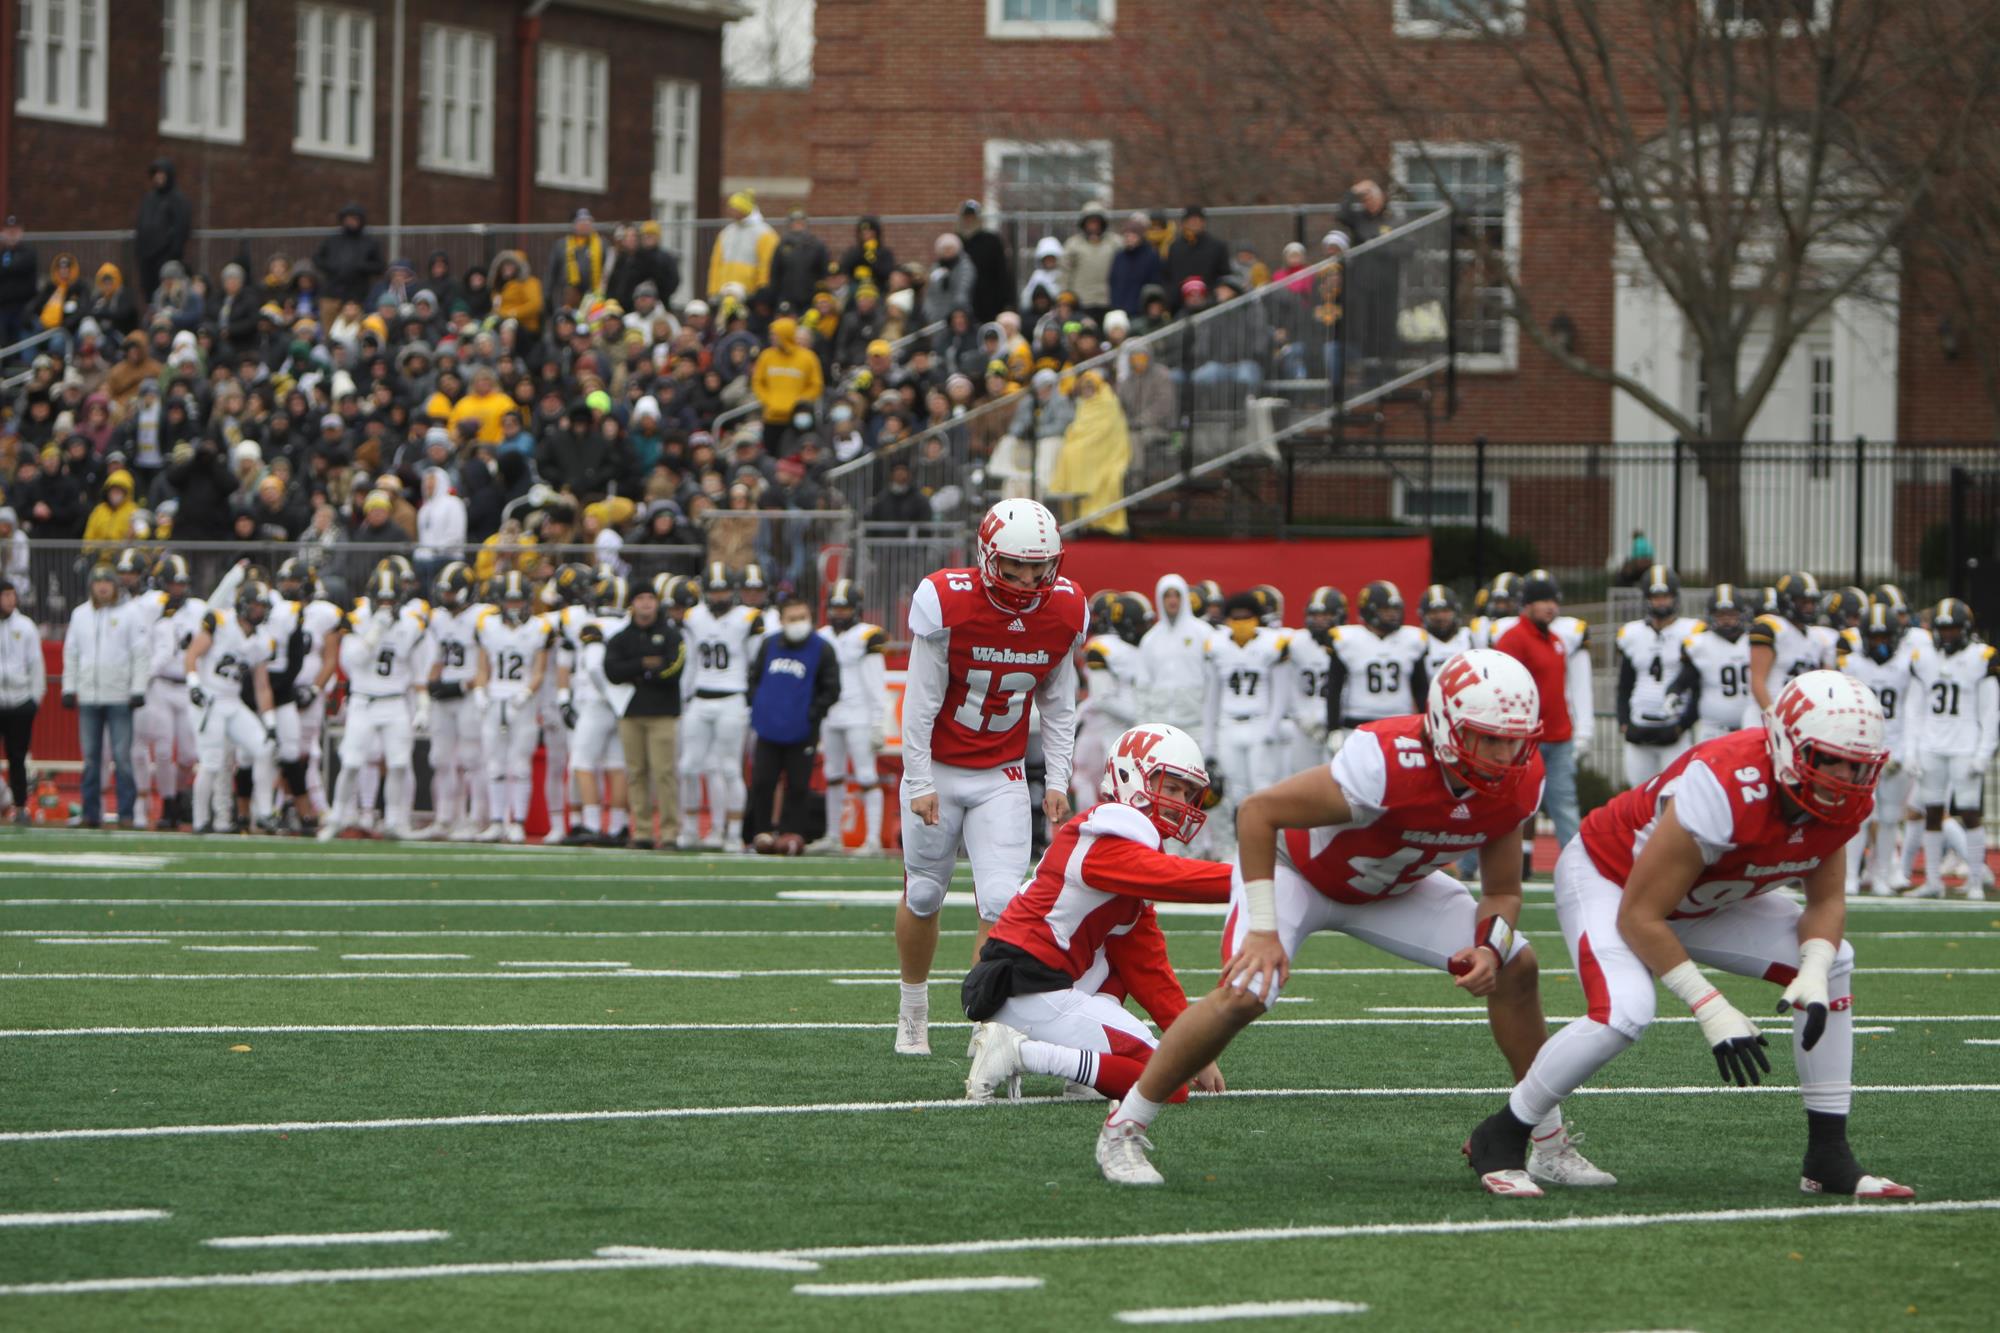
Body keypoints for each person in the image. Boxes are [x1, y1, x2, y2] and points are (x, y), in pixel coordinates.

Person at [1096, 651, 1608, 1189]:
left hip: (1392, 887)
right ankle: (1123, 1126)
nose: (1507, 755)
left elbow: (1503, 891)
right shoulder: (1387, 759)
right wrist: (1266, 931)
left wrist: (1488, 946)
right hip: (1298, 874)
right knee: (1248, 990)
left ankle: (1546, 1139)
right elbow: (1257, 813)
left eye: (1516, 740)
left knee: (1517, 964)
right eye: (1489, 738)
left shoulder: (1520, 780)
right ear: (1445, 727)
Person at [1462, 671, 1912, 1201]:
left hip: (1705, 893)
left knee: (1835, 962)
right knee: (1626, 1011)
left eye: (1856, 765)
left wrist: (1812, 969)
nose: (1843, 776)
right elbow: (1639, 916)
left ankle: (1829, 1159)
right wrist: (1709, 1004)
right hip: (1614, 878)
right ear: (1787, 744)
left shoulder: (1847, 796)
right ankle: (1502, 1134)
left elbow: (1826, 901)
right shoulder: (1724, 781)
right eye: (1828, 759)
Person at [894, 499, 1086, 1056]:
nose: (1028, 582)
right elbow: (920, 703)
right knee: (926, 893)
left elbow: (1059, 705)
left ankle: (987, 1023)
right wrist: (920, 779)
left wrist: (1057, 779)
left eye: (1039, 569)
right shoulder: (948, 601)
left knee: (1002, 902)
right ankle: (912, 1009)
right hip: (939, 767)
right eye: (1015, 569)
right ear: (986, 557)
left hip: (1000, 772)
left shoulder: (1065, 610)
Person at [964, 723, 1231, 1104]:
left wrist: (1196, 1049)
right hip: (1030, 985)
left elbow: (1147, 968)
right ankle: (1022, 1053)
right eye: (1171, 787)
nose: (1181, 803)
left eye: (1188, 794)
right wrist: (1255, 878)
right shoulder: (1110, 835)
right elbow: (1173, 879)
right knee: (1167, 1084)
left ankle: (1084, 1070)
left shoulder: (1124, 846)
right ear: (1130, 776)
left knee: (1124, 961)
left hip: (1032, 980)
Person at [317, 567, 427, 842]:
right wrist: (375, 631)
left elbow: (419, 670)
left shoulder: (411, 624)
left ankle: (395, 820)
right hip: (364, 700)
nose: (386, 606)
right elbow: (352, 661)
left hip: (395, 701)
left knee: (399, 763)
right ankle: (337, 817)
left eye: (391, 600)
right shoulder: (358, 619)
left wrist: (423, 706)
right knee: (352, 763)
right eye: (382, 600)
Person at [1492, 569, 1592, 850]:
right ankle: (1471, 864)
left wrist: (1575, 728)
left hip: (1558, 736)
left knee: (1565, 804)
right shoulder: (1512, 639)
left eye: (1554, 600)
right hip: (1525, 737)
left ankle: (1577, 863)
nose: (1552, 606)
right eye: (1544, 600)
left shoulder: (1557, 640)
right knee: (1511, 803)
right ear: (1528, 604)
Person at [1905, 599, 1997, 900]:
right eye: (1943, 629)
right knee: (1932, 811)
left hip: (1965, 745)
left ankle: (1974, 881)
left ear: (1966, 629)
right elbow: (1914, 709)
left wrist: (1984, 751)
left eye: (1953, 629)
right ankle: (1933, 881)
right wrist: (1911, 750)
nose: (1946, 635)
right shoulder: (1923, 658)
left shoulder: (1981, 657)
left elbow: (1991, 711)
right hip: (1932, 743)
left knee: (1970, 812)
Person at [182, 578, 279, 835]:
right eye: (256, 605)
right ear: (243, 605)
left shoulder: (263, 640)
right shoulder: (221, 623)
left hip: (232, 701)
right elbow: (192, 655)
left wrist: (269, 721)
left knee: (264, 747)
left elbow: (262, 685)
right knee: (212, 762)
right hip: (209, 699)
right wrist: (194, 685)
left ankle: (266, 812)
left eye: (263, 606)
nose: (260, 611)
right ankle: (200, 819)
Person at [678, 563, 765, 850]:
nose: (719, 596)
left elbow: (756, 664)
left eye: (724, 589)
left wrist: (752, 701)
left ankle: (732, 832)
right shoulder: (694, 617)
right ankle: (691, 828)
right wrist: (684, 698)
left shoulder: (748, 618)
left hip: (732, 697)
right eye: (714, 590)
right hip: (701, 697)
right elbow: (690, 662)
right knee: (689, 766)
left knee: (728, 769)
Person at [744, 597, 841, 845]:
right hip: (768, 728)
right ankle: (762, 832)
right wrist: (760, 706)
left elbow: (831, 689)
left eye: (802, 617)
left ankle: (793, 833)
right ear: (781, 620)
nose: (798, 623)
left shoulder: (822, 648)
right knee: (763, 782)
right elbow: (754, 679)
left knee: (798, 785)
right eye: (792, 618)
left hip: (802, 730)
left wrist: (812, 713)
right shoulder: (769, 644)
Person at [1202, 592, 1293, 856]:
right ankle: (1239, 850)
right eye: (1236, 618)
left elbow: (1281, 691)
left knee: (1263, 788)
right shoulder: (1216, 646)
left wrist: (1272, 727)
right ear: (1227, 620)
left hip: (1259, 722)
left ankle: (1273, 851)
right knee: (1234, 792)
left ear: (1257, 619)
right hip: (1229, 724)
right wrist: (1210, 739)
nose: (1241, 622)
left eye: (1247, 617)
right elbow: (1211, 698)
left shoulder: (1272, 644)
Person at [1839, 601, 1918, 897]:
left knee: (1889, 817)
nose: (1880, 644)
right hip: (1863, 745)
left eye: (1885, 637)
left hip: (1895, 745)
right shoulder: (1852, 664)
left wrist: (1908, 750)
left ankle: (1883, 875)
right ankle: (1850, 876)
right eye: (1874, 638)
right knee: (1859, 817)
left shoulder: (1907, 664)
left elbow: (1913, 709)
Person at [63, 564, 147, 829]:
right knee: (90, 758)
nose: (102, 587)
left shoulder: (130, 613)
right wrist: (69, 687)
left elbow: (140, 653)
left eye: (107, 583)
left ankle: (126, 814)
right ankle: (90, 813)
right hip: (89, 694)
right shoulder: (80, 615)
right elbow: (72, 652)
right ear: (91, 586)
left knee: (122, 757)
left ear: (115, 586)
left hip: (120, 695)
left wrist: (138, 688)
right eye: (97, 583)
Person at [605, 578, 687, 850]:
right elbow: (612, 671)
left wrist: (643, 673)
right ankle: (641, 831)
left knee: (664, 772)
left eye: (650, 599)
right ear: (632, 604)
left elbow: (673, 668)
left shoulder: (671, 634)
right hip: (631, 712)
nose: (646, 604)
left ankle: (669, 832)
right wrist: (643, 664)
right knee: (636, 772)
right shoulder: (621, 637)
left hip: (662, 712)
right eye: (640, 599)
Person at [810, 579, 888, 854]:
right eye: (835, 607)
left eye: (844, 608)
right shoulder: (821, 636)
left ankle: (873, 840)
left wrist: (879, 720)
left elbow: (875, 681)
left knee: (867, 775)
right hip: (831, 715)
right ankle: (833, 836)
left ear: (856, 608)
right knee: (832, 774)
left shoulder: (867, 636)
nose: (839, 613)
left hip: (859, 715)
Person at [132, 554, 206, 831]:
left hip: (186, 684)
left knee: (188, 754)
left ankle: (177, 792)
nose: (179, 589)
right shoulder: (148, 606)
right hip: (160, 685)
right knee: (162, 750)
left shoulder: (197, 609)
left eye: (182, 583)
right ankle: (168, 802)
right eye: (174, 583)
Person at [421, 562, 488, 842]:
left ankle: (477, 818)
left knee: (472, 759)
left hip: (470, 692)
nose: (446, 597)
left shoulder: (482, 617)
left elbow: (486, 661)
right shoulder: (438, 618)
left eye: (451, 592)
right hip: (446, 694)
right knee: (440, 758)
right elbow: (436, 658)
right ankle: (445, 816)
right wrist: (432, 686)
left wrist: (466, 684)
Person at [1615, 564, 1697, 788]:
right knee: (1639, 798)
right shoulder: (1632, 634)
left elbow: (1695, 684)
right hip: (1638, 725)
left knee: (1677, 796)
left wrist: (1683, 725)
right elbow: (1624, 684)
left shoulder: (1691, 633)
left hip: (1673, 729)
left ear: (1675, 597)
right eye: (1655, 597)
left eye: (1666, 596)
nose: (1661, 602)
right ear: (1646, 599)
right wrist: (1623, 722)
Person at [1326, 580, 1431, 745]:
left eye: (1396, 609)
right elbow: (1334, 688)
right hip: (1358, 723)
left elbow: (1420, 689)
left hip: (1401, 722)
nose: (1392, 614)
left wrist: (1427, 723)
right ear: (1369, 610)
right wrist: (1333, 727)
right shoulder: (1347, 640)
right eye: (1385, 609)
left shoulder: (1412, 640)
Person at [1073, 591, 1149, 813]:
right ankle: (1085, 827)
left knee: (1126, 788)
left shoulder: (1133, 649)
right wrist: (1139, 715)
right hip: (1101, 726)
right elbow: (1102, 697)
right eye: (1140, 624)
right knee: (1088, 780)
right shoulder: (1104, 647)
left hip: (1124, 727)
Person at [1748, 572, 1836, 723]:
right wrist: (1771, 713)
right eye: (1803, 602)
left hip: (1801, 721)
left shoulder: (1818, 637)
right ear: (1787, 601)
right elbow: (1757, 680)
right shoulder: (1772, 628)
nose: (1809, 607)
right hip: (1765, 718)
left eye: (1812, 602)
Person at [1672, 584, 1754, 743]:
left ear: (1741, 614)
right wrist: (1672, 693)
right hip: (1713, 731)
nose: (1727, 620)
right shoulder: (1700, 644)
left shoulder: (1755, 641)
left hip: (1749, 729)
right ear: (1711, 616)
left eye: (1731, 614)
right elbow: (1684, 679)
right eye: (1721, 615)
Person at [0, 579, 44, 822]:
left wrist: (33, 700)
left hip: (19, 703)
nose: (10, 600)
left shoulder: (26, 627)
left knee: (17, 757)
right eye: (5, 595)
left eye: (12, 595)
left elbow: (36, 665)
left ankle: (19, 807)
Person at [1136, 573, 1206, 726]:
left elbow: (1212, 680)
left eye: (1177, 595)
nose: (1172, 600)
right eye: (1167, 596)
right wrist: (1142, 724)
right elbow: (1143, 685)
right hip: (1160, 722)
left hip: (1196, 724)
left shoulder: (1203, 633)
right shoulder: (1150, 639)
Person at [134, 159, 192, 303]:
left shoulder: (177, 199)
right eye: (156, 174)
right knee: (149, 291)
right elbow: (141, 224)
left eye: (162, 174)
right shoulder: (149, 198)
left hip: (165, 256)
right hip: (147, 257)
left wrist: (173, 251)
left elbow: (181, 226)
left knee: (168, 292)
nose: (158, 178)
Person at [708, 191, 778, 299]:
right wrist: (713, 290)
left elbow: (767, 265)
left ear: (744, 208)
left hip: (751, 294)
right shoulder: (726, 232)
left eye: (734, 207)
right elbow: (716, 264)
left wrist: (763, 292)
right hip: (725, 291)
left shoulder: (765, 233)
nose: (730, 210)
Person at [313, 203, 385, 306]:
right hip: (331, 293)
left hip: (358, 295)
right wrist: (331, 266)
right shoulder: (332, 241)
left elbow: (380, 266)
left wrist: (361, 266)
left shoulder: (369, 242)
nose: (351, 222)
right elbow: (317, 259)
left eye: (354, 218)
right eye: (348, 219)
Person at [1163, 206, 1229, 310]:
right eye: (1190, 220)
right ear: (1184, 223)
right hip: (1180, 305)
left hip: (1208, 304)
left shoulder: (1217, 246)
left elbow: (1224, 274)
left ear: (1204, 223)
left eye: (1198, 220)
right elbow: (1168, 275)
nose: (1194, 224)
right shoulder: (1175, 247)